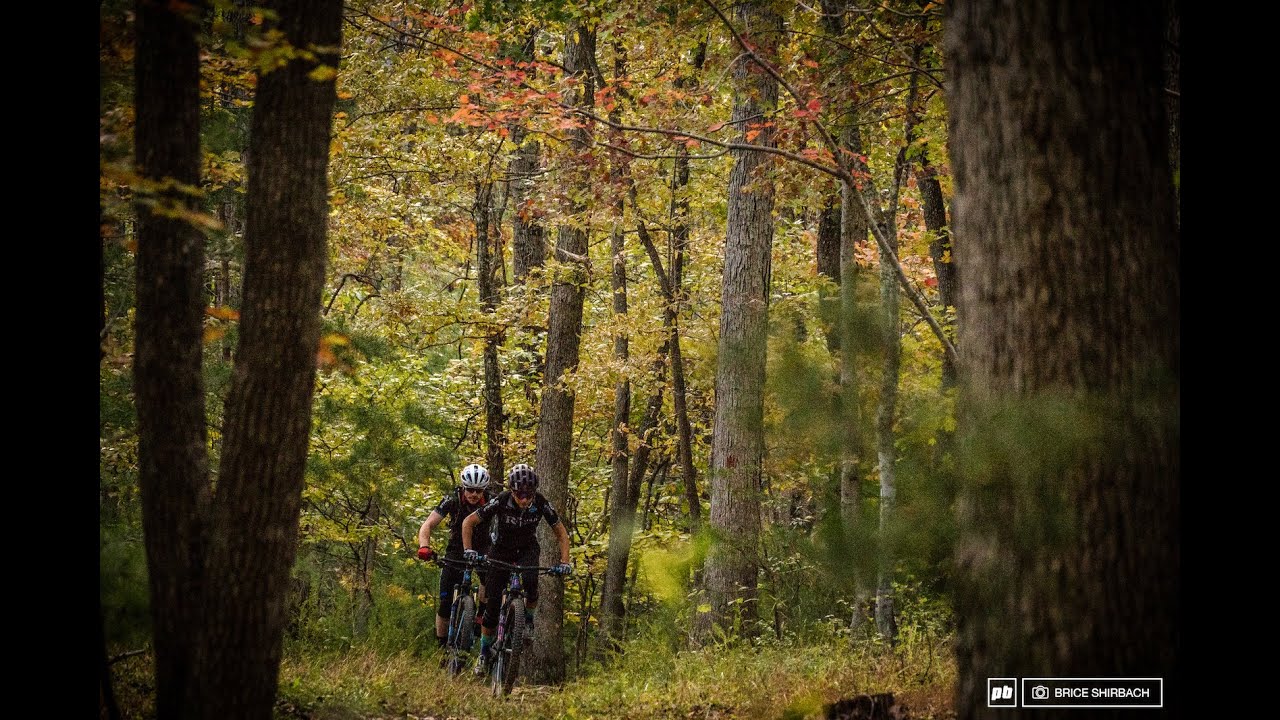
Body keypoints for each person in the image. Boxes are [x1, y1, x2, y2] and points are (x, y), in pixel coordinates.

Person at [461, 463, 571, 674]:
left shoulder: (540, 503)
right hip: (501, 549)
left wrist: (564, 562)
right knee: (492, 606)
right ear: (512, 490)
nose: (524, 499)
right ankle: (484, 654)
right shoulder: (501, 500)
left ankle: (527, 620)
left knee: (531, 581)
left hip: (527, 548)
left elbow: (561, 534)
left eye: (529, 494)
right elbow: (468, 522)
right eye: (520, 494)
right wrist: (469, 550)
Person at [416, 463, 494, 654]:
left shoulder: (492, 501)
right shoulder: (452, 499)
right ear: (463, 487)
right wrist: (424, 546)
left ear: (484, 490)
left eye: (478, 490)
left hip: (484, 546)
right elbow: (428, 525)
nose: (473, 495)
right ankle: (442, 648)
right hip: (457, 549)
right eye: (470, 490)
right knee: (445, 603)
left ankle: (479, 616)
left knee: (490, 581)